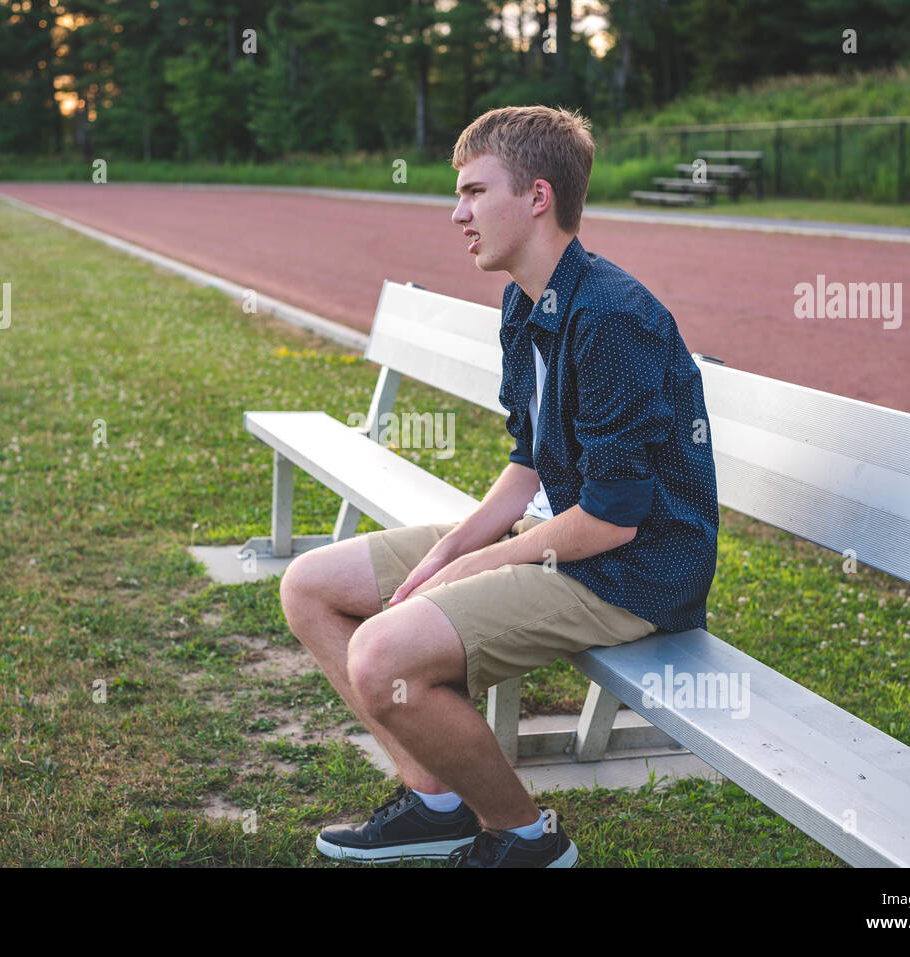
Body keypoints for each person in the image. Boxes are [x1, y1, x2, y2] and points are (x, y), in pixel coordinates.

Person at [279, 104, 719, 868]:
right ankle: (436, 802)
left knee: (382, 656)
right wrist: (449, 548)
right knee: (311, 584)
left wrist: (466, 570)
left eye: (475, 192)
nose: (458, 213)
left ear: (537, 196)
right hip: (559, 536)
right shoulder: (523, 297)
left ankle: (525, 837)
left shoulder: (613, 317)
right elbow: (528, 463)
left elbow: (614, 519)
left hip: (630, 570)